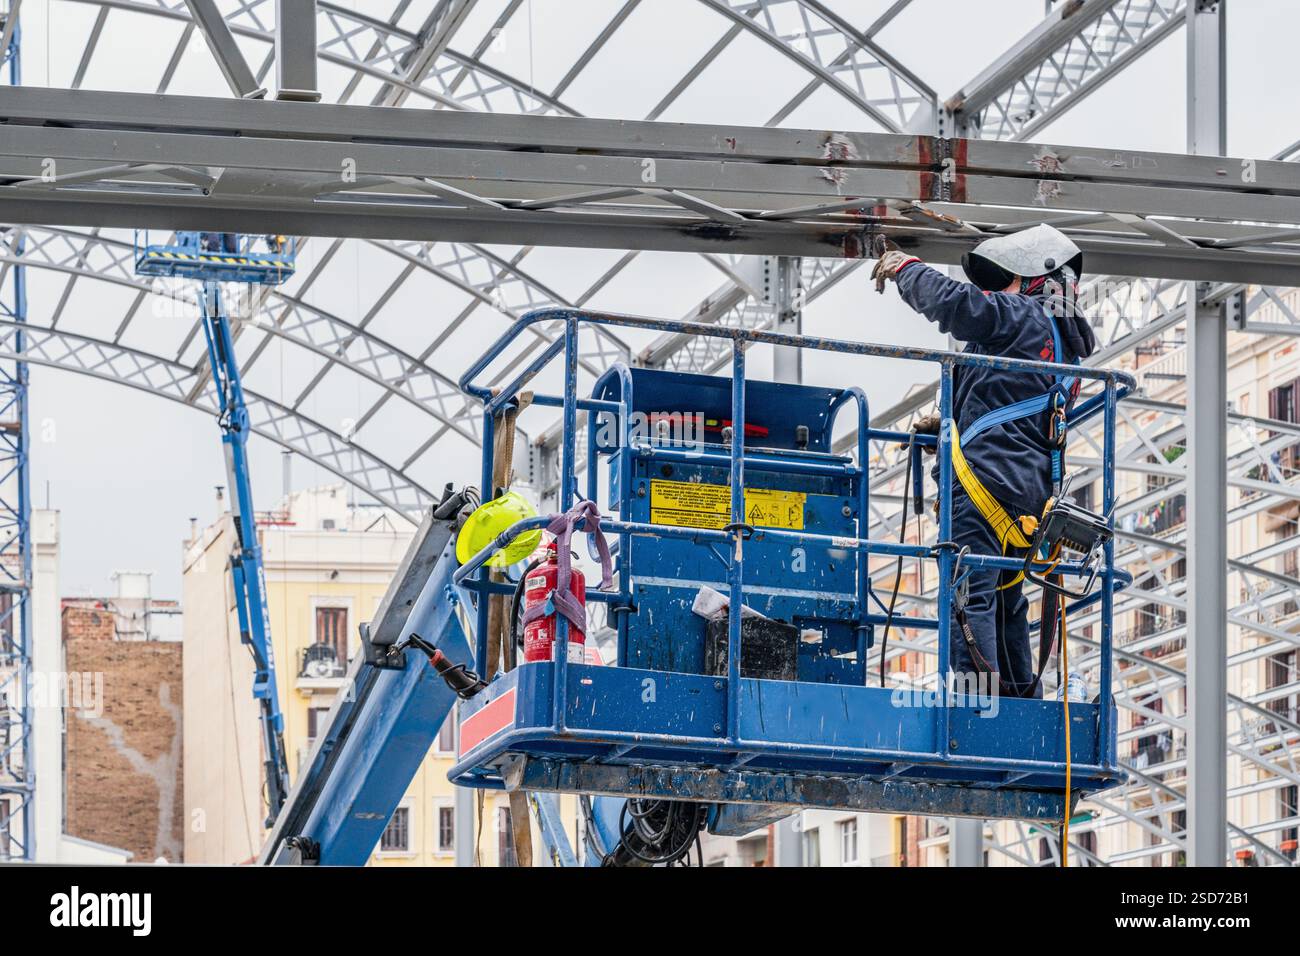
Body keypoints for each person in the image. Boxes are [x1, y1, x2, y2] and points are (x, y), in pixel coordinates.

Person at [872, 224, 1097, 698]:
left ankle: (977, 710)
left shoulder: (1025, 317)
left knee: (968, 593)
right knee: (1002, 598)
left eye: (1007, 282)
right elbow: (1006, 403)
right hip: (1025, 495)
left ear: (1040, 278)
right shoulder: (1059, 346)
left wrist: (906, 269)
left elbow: (959, 306)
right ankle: (1015, 706)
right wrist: (950, 432)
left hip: (986, 488)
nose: (998, 293)